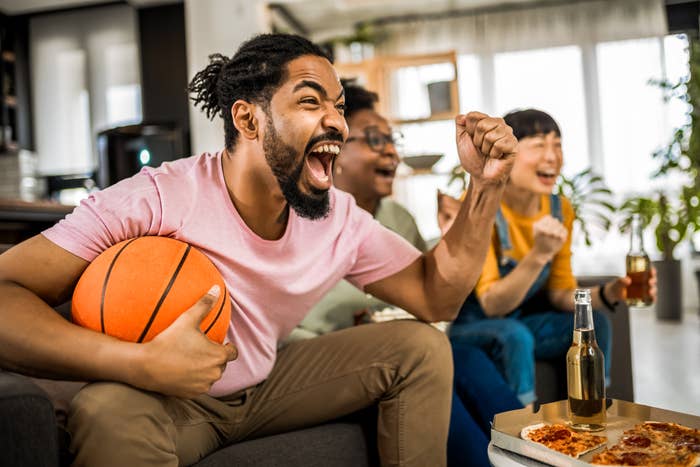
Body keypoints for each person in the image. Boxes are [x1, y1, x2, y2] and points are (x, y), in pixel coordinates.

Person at [0, 34, 517, 467]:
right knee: (105, 410)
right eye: (311, 101)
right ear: (248, 120)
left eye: (338, 107)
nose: (337, 122)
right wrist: (140, 364)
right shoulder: (156, 197)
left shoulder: (339, 218)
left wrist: (485, 186)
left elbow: (436, 297)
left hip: (266, 387)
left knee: (418, 347)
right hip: (161, 399)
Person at [288, 79, 522, 466]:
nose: (392, 152)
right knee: (430, 373)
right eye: (375, 140)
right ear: (335, 149)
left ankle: (540, 454)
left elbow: (430, 295)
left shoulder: (397, 217)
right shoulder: (302, 217)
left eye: (393, 139)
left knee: (464, 358)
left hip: (401, 350)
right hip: (331, 362)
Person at [444, 108, 657, 406]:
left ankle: (595, 410)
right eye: (539, 145)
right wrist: (539, 254)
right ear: (507, 152)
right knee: (514, 335)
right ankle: (522, 433)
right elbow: (492, 304)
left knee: (596, 323)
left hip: (523, 324)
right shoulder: (482, 204)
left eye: (557, 145)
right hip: (474, 326)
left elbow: (560, 294)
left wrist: (612, 291)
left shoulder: (560, 209)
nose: (552, 156)